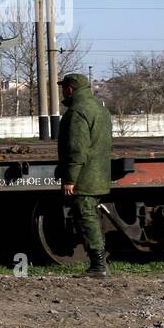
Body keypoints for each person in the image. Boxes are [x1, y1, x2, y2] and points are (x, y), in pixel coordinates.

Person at [57, 72, 113, 277]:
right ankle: (99, 264)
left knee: (87, 217)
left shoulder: (77, 112)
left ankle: (99, 266)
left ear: (70, 89)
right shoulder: (100, 109)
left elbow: (76, 149)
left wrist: (70, 178)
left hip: (84, 176)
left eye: (63, 87)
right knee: (92, 217)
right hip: (98, 172)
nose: (62, 90)